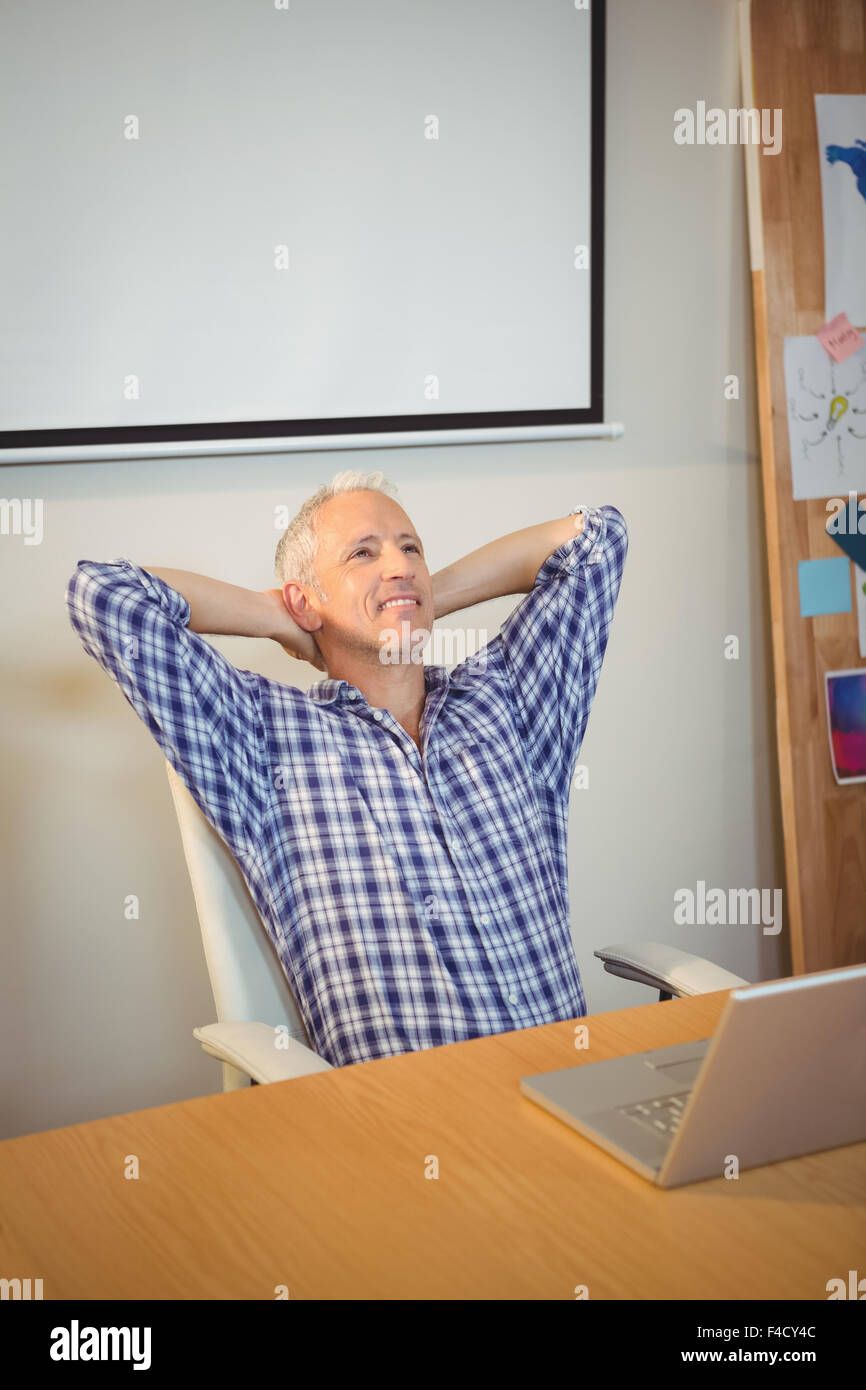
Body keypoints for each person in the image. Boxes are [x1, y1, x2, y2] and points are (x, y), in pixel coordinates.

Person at [66, 470, 628, 1068]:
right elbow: (104, 594)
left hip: (573, 1092)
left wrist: (415, 597)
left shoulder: (507, 701)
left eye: (411, 548)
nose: (400, 563)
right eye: (364, 552)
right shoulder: (260, 736)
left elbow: (596, 542)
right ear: (306, 599)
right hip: (411, 1126)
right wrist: (281, 615)